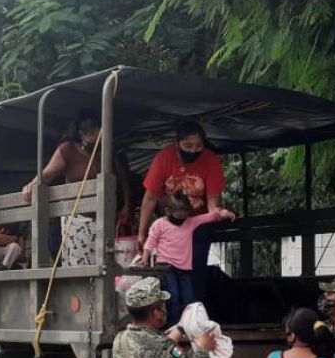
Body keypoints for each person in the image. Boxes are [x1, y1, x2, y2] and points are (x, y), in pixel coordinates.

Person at [22, 110, 134, 265]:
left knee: (106, 262)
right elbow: (47, 174)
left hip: (106, 217)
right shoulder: (68, 149)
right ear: (83, 134)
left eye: (101, 132)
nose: (99, 136)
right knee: (79, 262)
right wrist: (32, 185)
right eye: (94, 133)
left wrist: (127, 206)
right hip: (77, 217)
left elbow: (123, 179)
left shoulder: (107, 150)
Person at [137, 121, 226, 303]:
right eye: (188, 146)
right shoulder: (164, 158)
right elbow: (150, 198)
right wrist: (142, 233)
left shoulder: (210, 160)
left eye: (198, 146)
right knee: (168, 272)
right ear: (177, 144)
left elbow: (213, 202)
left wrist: (217, 215)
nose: (193, 151)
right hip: (170, 223)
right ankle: (170, 309)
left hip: (197, 224)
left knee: (196, 268)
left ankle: (195, 309)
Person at [141, 193, 235, 323]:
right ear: (168, 211)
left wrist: (225, 213)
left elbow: (209, 217)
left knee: (189, 299)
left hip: (184, 268)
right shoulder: (159, 224)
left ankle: (186, 326)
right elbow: (151, 241)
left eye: (184, 216)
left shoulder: (190, 222)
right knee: (173, 297)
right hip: (166, 267)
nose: (181, 219)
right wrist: (145, 256)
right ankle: (173, 326)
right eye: (178, 216)